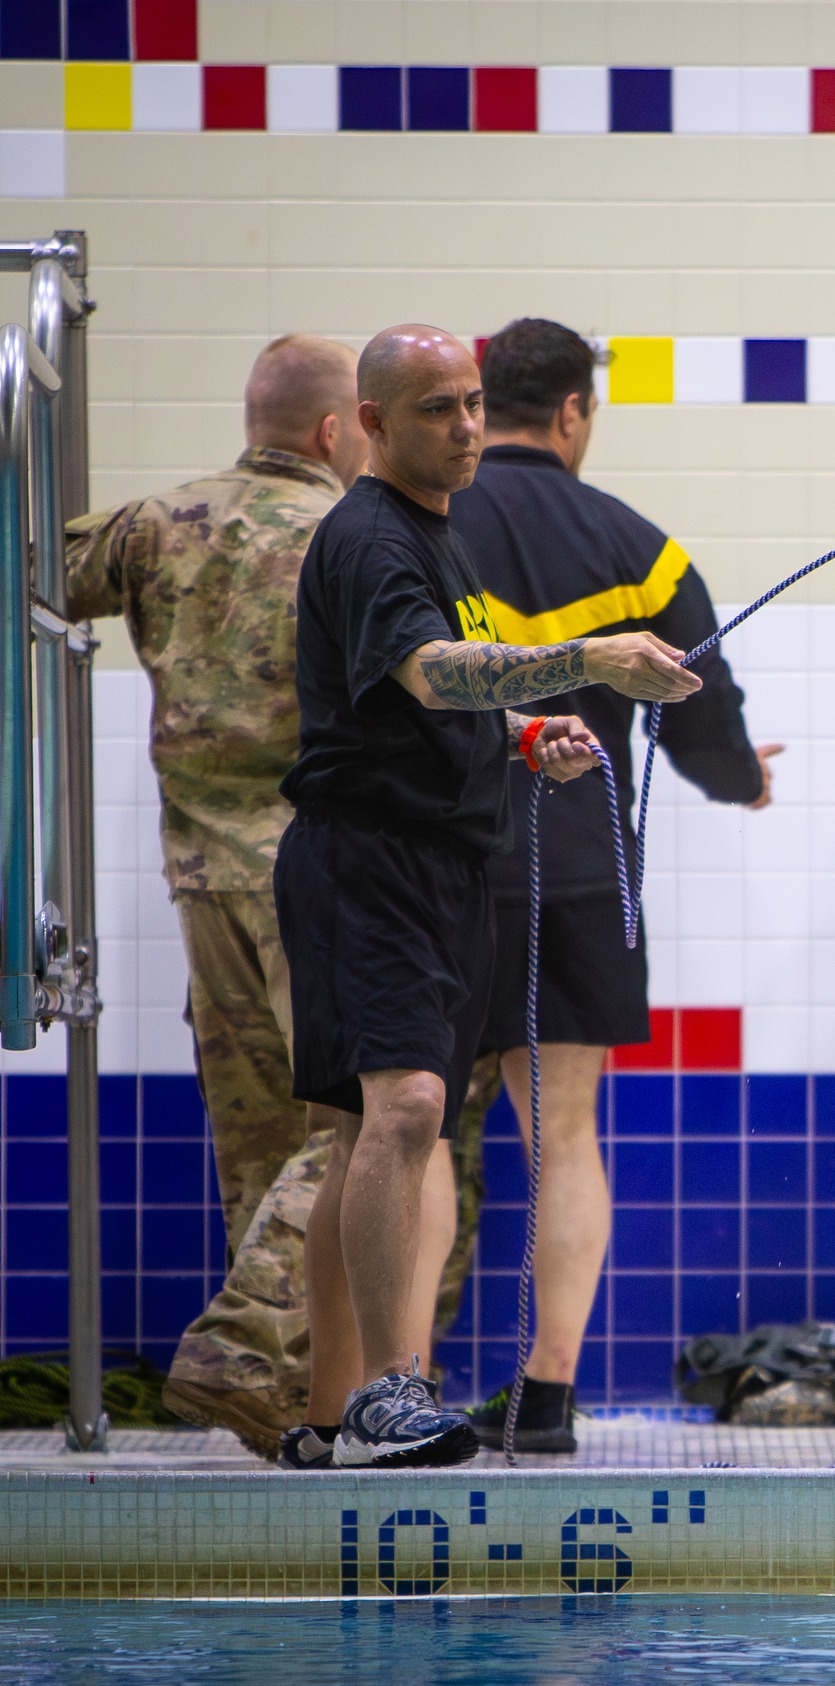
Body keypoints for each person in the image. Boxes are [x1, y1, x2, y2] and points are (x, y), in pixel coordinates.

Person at [273, 323, 701, 1469]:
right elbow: (430, 672)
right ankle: (380, 1394)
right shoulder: (372, 536)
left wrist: (519, 737)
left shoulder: (439, 533)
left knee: (377, 1126)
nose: (464, 428)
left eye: (471, 403)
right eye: (434, 410)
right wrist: (593, 661)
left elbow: (425, 702)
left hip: (439, 858)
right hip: (372, 862)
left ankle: (327, 1415)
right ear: (368, 423)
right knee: (408, 1107)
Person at [447, 317, 776, 1453]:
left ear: (480, 407)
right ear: (576, 413)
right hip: (580, 875)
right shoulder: (636, 545)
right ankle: (544, 1394)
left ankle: (384, 1390)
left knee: (405, 1131)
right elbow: (701, 701)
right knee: (563, 1135)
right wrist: (739, 783)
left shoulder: (426, 524)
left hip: (442, 866)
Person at [61, 335, 371, 1458]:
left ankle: (282, 1411)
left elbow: (38, 565)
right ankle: (246, 1343)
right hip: (315, 874)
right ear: (337, 432)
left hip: (200, 879)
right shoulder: (350, 534)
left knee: (256, 1141)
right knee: (355, 1124)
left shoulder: (157, 525)